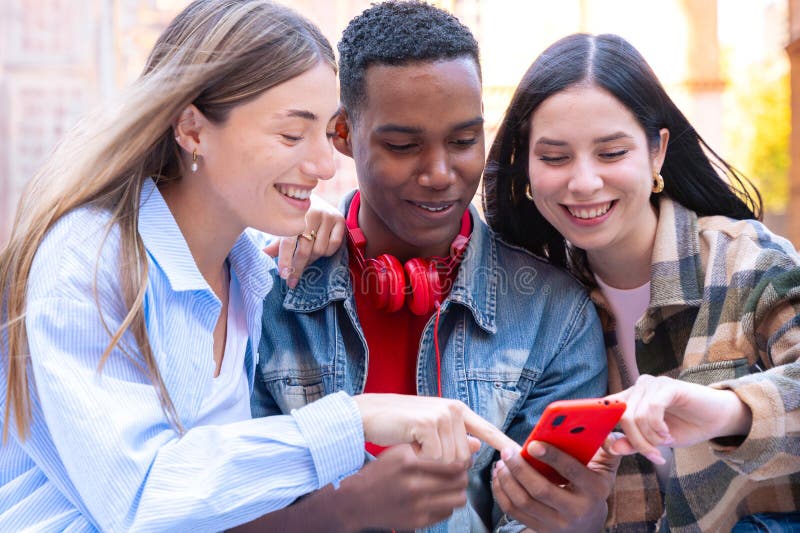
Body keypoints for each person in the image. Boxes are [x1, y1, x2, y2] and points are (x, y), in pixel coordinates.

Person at [0, 1, 515, 531]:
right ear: (192, 130)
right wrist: (355, 418)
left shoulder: (252, 265)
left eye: (326, 133)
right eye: (291, 135)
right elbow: (141, 499)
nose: (323, 165)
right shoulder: (88, 258)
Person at [245, 3, 607, 532]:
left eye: (463, 141)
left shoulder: (555, 316)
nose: (440, 173)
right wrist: (348, 508)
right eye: (403, 145)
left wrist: (575, 518)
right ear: (342, 134)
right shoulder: (264, 290)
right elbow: (228, 508)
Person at [483, 32, 800, 532]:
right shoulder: (531, 308)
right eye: (555, 157)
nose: (584, 182)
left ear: (657, 152)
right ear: (524, 164)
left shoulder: (746, 261)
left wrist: (729, 410)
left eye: (611, 153)